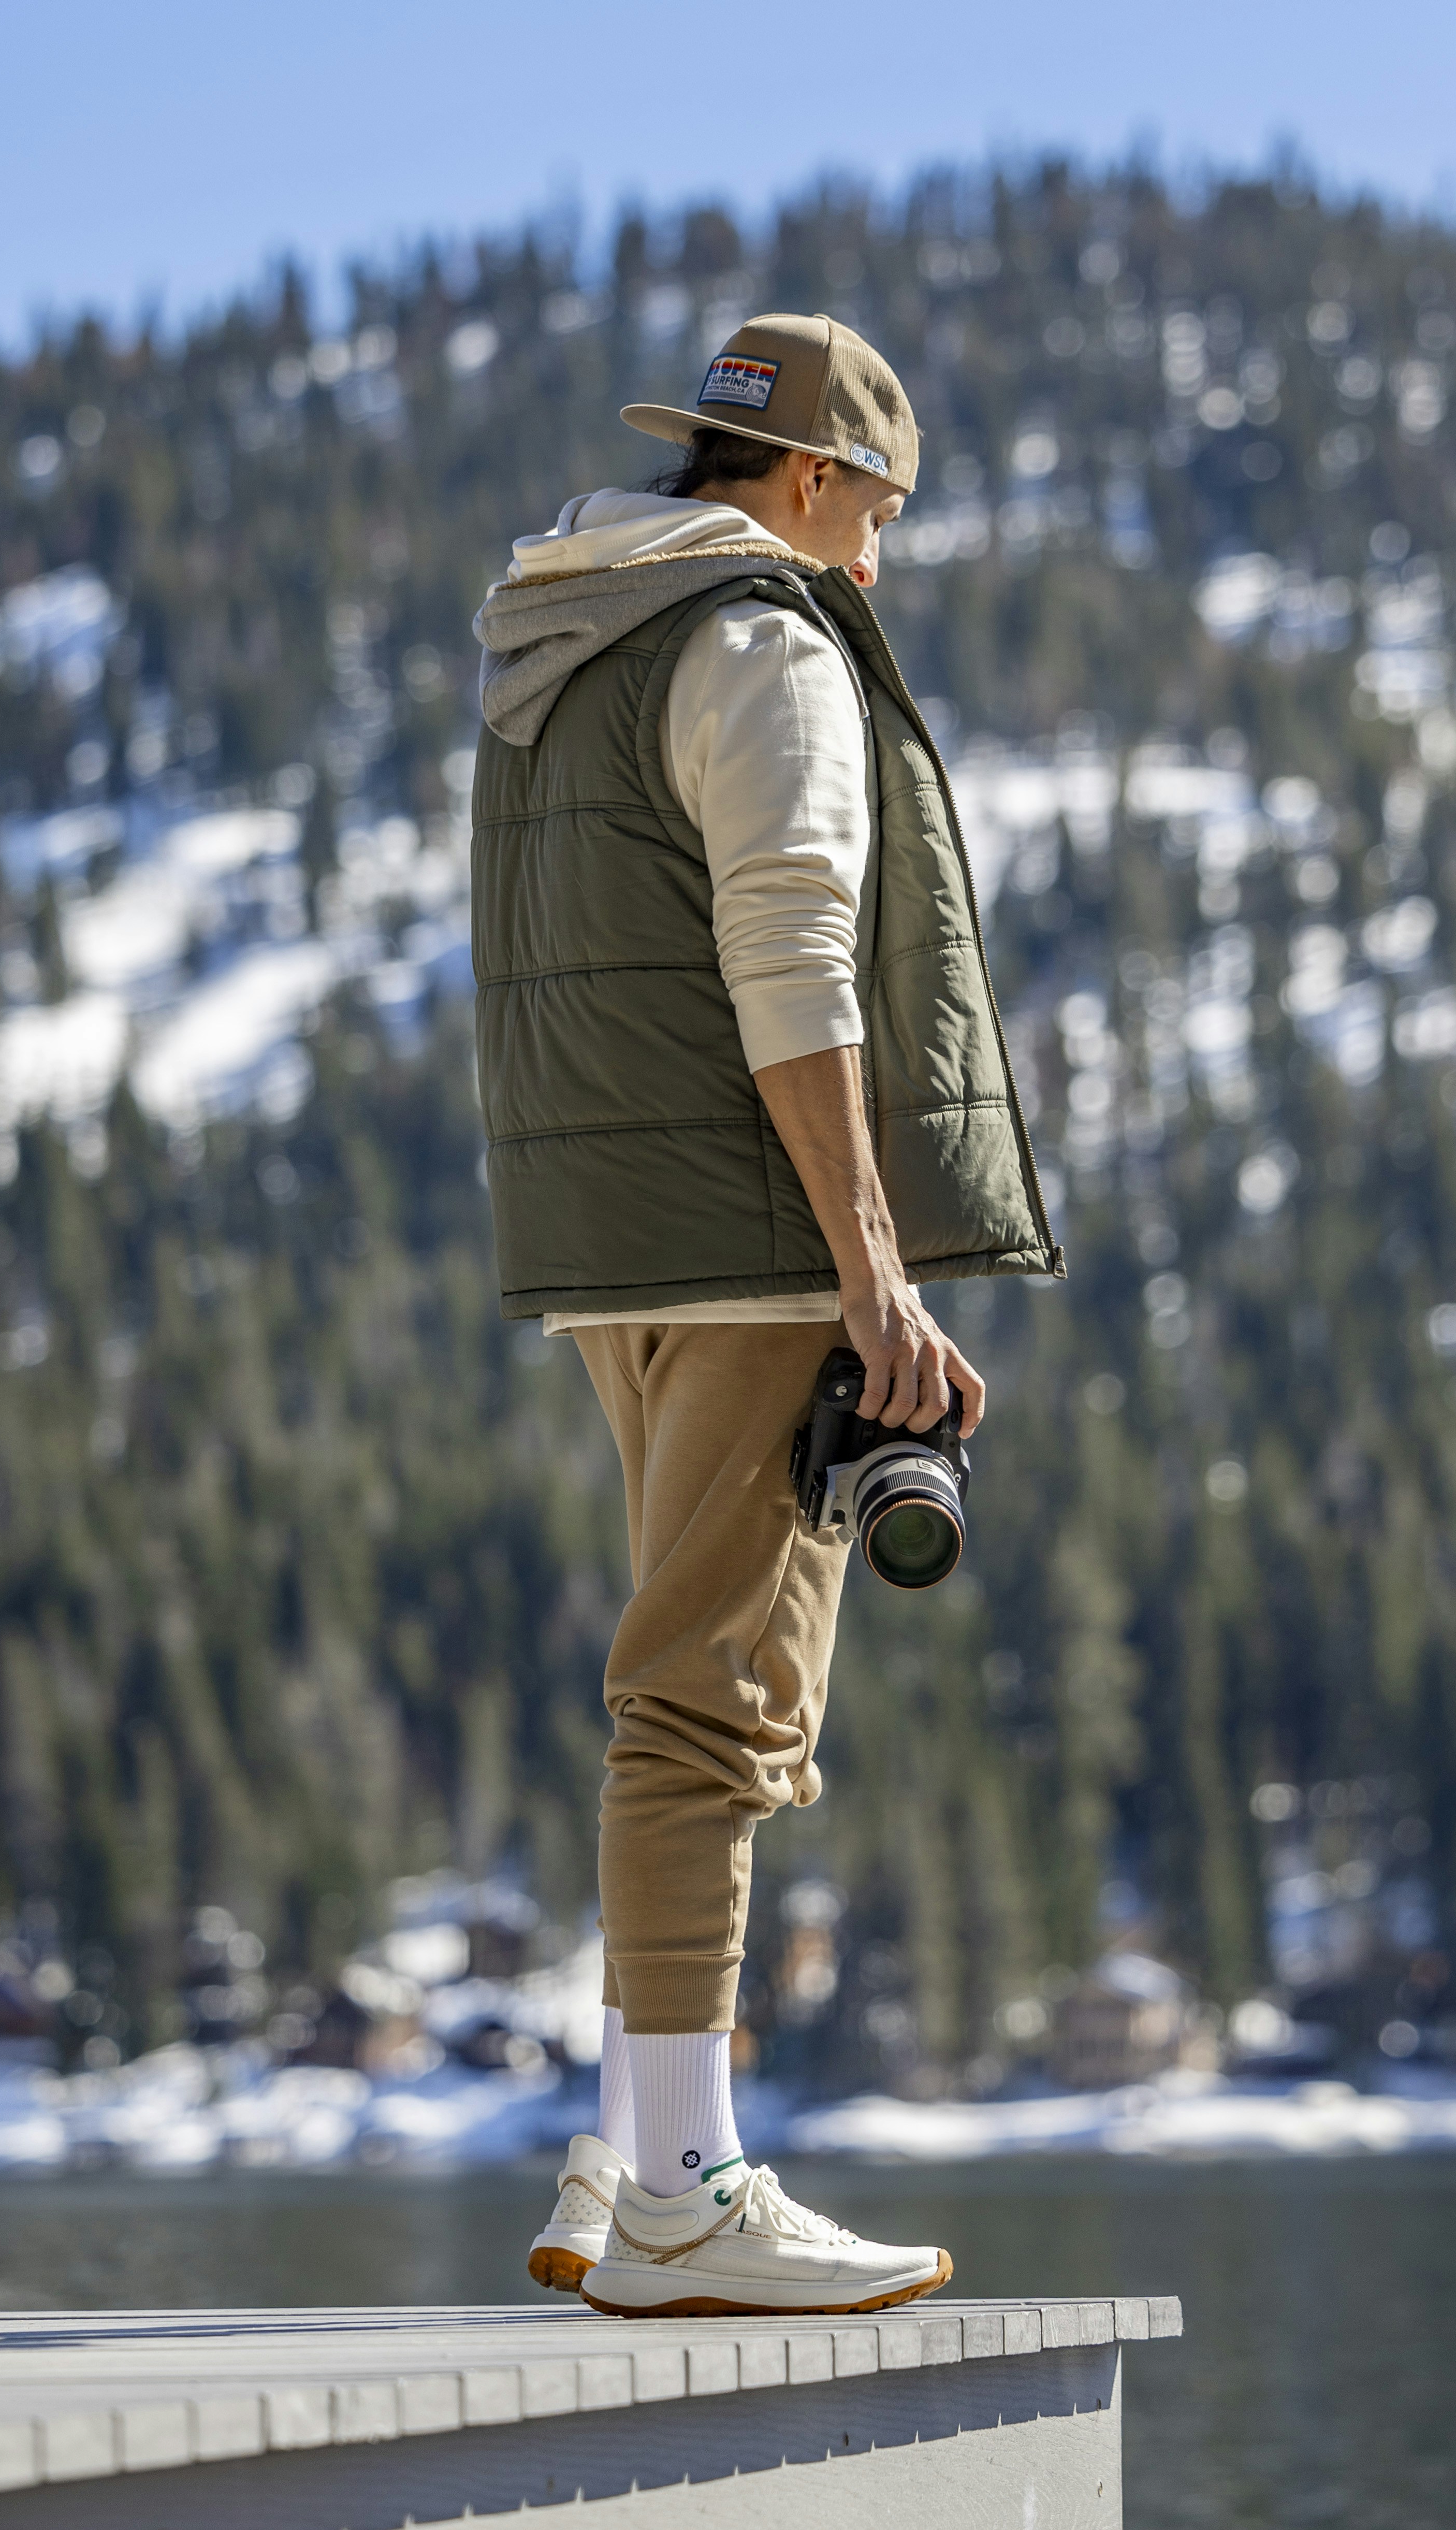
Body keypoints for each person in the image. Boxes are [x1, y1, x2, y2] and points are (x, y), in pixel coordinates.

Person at [470, 312, 1059, 2315]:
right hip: (745, 1242)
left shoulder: (574, 635)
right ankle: (685, 2197)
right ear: (809, 481)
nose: (878, 557)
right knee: (709, 1706)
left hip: (613, 1242)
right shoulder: (764, 643)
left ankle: (629, 2138)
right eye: (877, 509)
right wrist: (874, 1273)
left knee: (699, 1688)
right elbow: (794, 957)